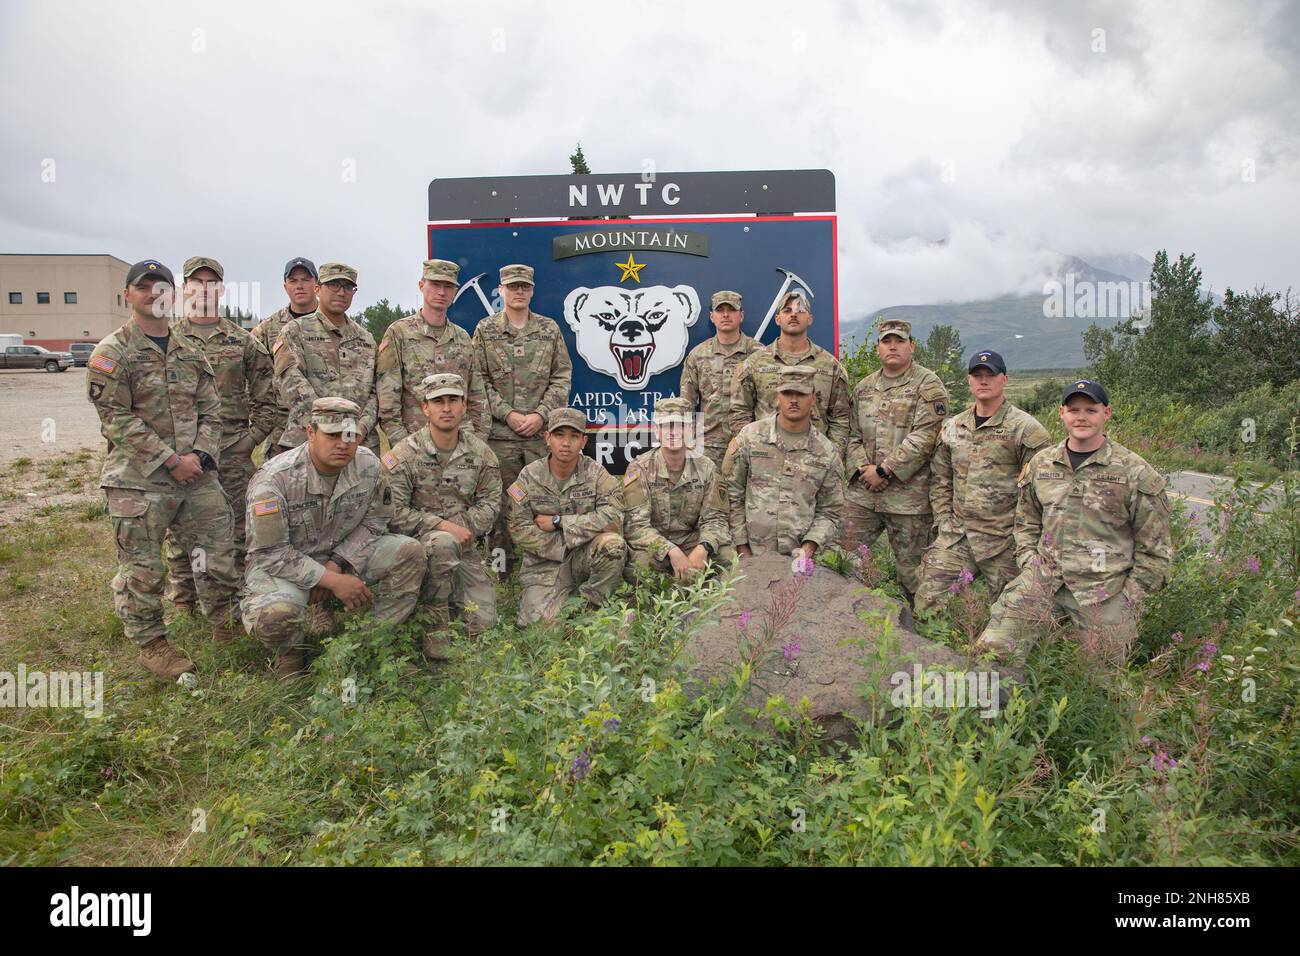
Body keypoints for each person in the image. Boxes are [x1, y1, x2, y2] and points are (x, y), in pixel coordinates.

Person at [86, 259, 241, 680]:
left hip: (196, 474)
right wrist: (169, 460)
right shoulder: (112, 352)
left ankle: (225, 626)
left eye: (163, 287)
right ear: (128, 295)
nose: (155, 294)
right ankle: (152, 643)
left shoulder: (191, 352)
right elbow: (115, 416)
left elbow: (213, 411)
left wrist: (200, 458)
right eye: (145, 287)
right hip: (138, 479)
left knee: (219, 551)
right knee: (143, 568)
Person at [975, 380, 1173, 670]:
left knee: (1099, 685)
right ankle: (997, 711)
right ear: (1062, 413)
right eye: (1074, 409)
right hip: (1043, 580)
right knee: (992, 655)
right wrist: (1030, 563)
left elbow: (1156, 552)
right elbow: (1026, 523)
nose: (1081, 417)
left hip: (1103, 591)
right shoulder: (1042, 464)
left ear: (1106, 414)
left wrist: (1128, 598)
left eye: (1090, 410)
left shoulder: (1135, 473)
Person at [241, 397, 425, 677]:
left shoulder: (368, 465)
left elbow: (376, 520)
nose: (343, 443)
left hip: (341, 558)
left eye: (350, 435)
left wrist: (337, 564)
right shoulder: (274, 479)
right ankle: (290, 653)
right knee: (275, 615)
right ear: (311, 433)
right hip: (285, 569)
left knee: (409, 552)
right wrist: (330, 580)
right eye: (332, 435)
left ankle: (369, 643)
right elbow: (271, 553)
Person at [164, 256, 278, 614]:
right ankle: (185, 603)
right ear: (185, 290)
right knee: (180, 532)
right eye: (196, 282)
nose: (204, 289)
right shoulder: (168, 339)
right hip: (180, 454)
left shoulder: (243, 341)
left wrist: (249, 442)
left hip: (229, 452)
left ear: (221, 289)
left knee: (239, 531)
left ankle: (239, 600)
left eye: (211, 282)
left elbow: (270, 399)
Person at [915, 350, 1051, 616]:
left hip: (1003, 540)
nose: (984, 380)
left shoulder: (1026, 429)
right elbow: (941, 479)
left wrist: (1027, 537)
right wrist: (943, 521)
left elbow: (1042, 491)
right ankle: (936, 655)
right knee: (926, 605)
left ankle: (989, 656)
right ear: (969, 380)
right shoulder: (953, 427)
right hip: (958, 537)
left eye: (991, 375)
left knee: (1014, 615)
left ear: (1005, 379)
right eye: (978, 375)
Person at [384, 373, 501, 659]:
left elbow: (491, 504)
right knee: (441, 543)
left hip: (465, 547)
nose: (446, 408)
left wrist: (461, 529)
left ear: (463, 406)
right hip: (413, 551)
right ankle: (435, 628)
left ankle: (444, 606)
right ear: (425, 408)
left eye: (453, 401)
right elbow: (392, 512)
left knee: (483, 625)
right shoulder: (404, 455)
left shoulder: (482, 455)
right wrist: (442, 526)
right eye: (438, 401)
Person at [471, 263, 572, 570]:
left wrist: (541, 416)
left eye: (523, 287)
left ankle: (546, 568)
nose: (518, 292)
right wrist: (509, 414)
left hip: (541, 438)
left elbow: (562, 377)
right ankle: (503, 571)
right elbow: (478, 381)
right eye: (512, 287)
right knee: (502, 505)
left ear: (531, 291)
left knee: (545, 502)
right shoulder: (485, 331)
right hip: (501, 438)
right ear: (501, 290)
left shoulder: (549, 329)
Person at [843, 318, 949, 601]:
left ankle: (922, 635)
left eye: (899, 341)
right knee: (840, 558)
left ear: (911, 346)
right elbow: (852, 434)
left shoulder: (928, 385)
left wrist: (885, 470)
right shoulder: (864, 388)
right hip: (863, 495)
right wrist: (863, 469)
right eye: (886, 341)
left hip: (908, 500)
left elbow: (926, 436)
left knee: (914, 576)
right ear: (878, 348)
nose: (893, 346)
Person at [506, 408, 625, 625]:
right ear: (547, 438)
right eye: (559, 435)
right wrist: (560, 548)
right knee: (542, 628)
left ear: (583, 441)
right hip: (543, 564)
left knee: (613, 545)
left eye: (574, 436)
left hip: (583, 556)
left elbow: (615, 516)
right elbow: (518, 526)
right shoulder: (529, 476)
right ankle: (560, 606)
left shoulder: (596, 473)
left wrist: (561, 522)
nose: (566, 442)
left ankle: (590, 606)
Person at [719, 365, 844, 559]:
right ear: (778, 397)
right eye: (787, 393)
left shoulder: (826, 452)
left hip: (801, 557)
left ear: (813, 398)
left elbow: (831, 510)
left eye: (801, 394)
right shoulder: (750, 438)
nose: (793, 400)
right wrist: (742, 547)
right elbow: (731, 493)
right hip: (750, 552)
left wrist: (809, 547)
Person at [377, 259, 489, 444]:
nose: (441, 292)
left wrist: (478, 442)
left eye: (448, 286)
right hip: (415, 441)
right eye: (435, 284)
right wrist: (403, 446)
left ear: (454, 292)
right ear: (421, 286)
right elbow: (388, 400)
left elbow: (477, 395)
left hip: (462, 443)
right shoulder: (399, 333)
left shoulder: (462, 338)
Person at [272, 262, 379, 452]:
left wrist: (361, 429)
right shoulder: (295, 331)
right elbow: (292, 385)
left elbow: (374, 393)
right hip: (308, 442)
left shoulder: (366, 339)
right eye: (333, 285)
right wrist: (328, 431)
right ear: (318, 289)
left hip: (359, 444)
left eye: (347, 287)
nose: (341, 292)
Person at [622, 396, 731, 581]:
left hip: (692, 541)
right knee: (639, 567)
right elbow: (636, 526)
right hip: (656, 545)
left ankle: (722, 607)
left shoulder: (706, 468)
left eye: (681, 425)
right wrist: (670, 550)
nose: (674, 432)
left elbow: (716, 518)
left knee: (728, 558)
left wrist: (703, 547)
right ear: (656, 430)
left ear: (691, 430)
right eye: (667, 426)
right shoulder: (640, 468)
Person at [728, 289, 850, 447]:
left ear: (810, 319)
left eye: (800, 310)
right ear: (778, 319)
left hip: (815, 464)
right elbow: (739, 413)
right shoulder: (754, 364)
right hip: (765, 461)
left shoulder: (831, 367)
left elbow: (840, 419)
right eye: (787, 310)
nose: (793, 314)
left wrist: (831, 458)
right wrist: (753, 453)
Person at [678, 290, 759, 470]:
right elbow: (686, 404)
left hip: (749, 443)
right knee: (709, 498)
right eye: (720, 310)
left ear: (741, 315)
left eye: (731, 310)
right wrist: (688, 441)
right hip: (708, 447)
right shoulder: (697, 355)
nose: (725, 315)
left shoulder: (758, 354)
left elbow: (768, 403)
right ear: (712, 316)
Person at [250, 257, 318, 451]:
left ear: (317, 285)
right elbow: (250, 371)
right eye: (293, 281)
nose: (300, 286)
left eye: (306, 280)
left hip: (327, 423)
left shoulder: (331, 322)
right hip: (283, 427)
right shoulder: (268, 328)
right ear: (285, 286)